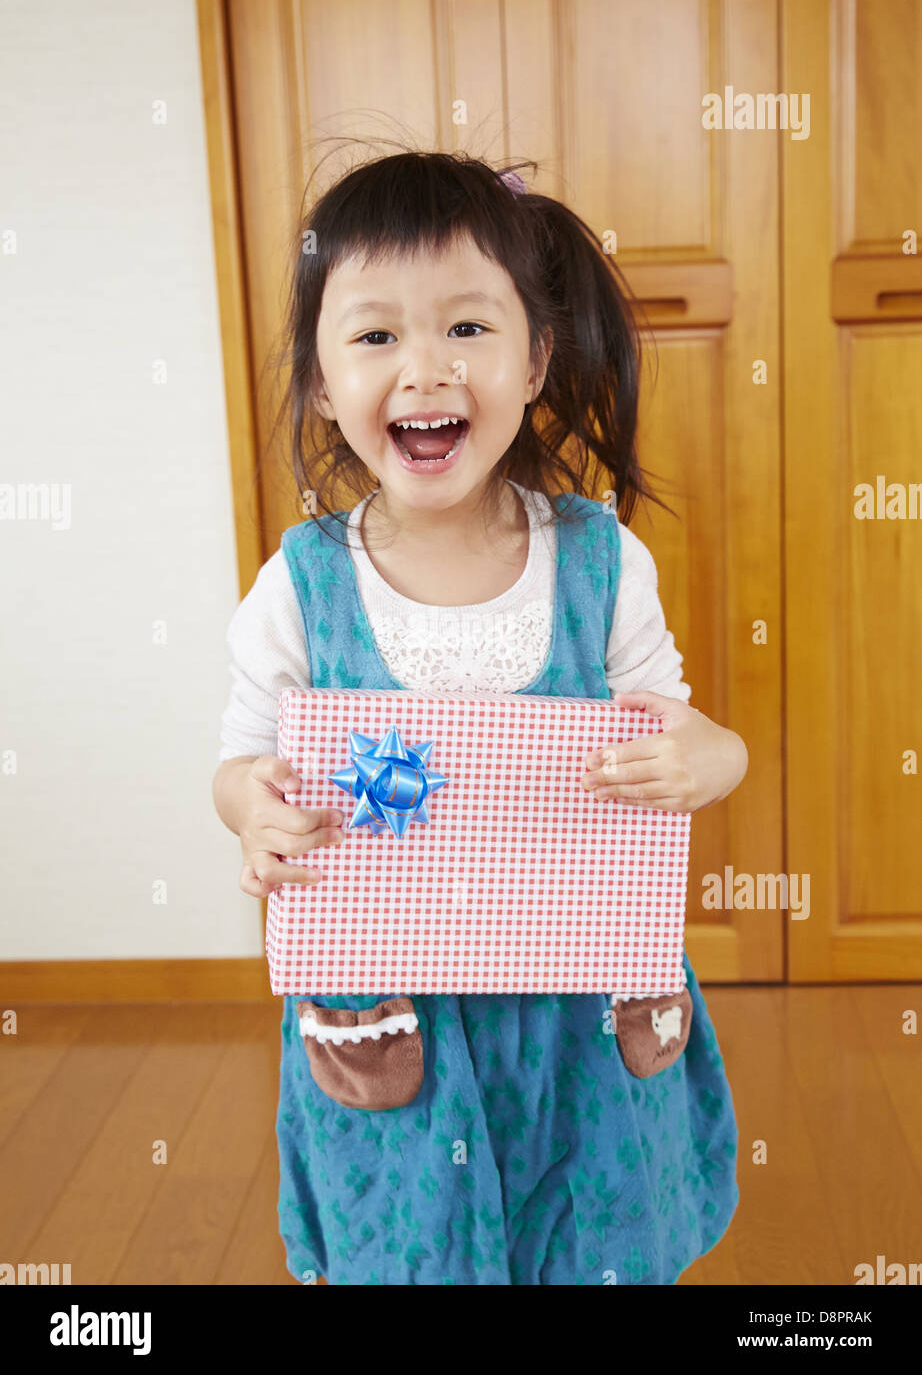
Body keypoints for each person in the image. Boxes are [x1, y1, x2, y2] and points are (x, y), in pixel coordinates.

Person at [212, 150, 748, 1285]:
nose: (424, 371)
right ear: (318, 380)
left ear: (535, 356)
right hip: (393, 1010)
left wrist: (712, 754)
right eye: (374, 337)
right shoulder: (300, 587)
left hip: (581, 1026)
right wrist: (249, 812)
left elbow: (678, 729)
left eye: (466, 329)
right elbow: (242, 760)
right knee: (411, 1251)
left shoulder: (600, 562)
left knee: (595, 1234)